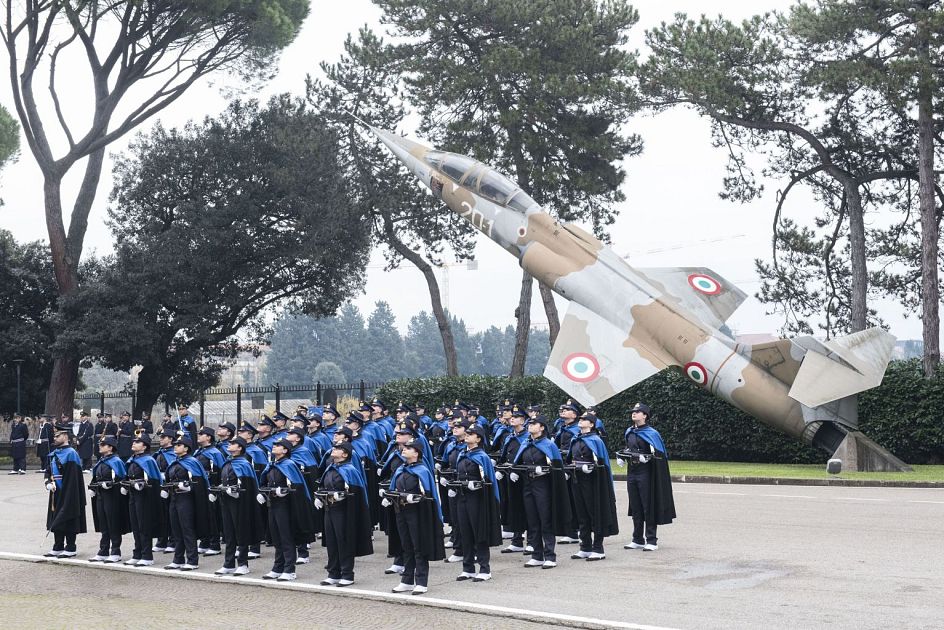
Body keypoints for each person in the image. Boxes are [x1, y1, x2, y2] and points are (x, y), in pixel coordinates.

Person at [511, 415, 573, 569]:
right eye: (529, 424)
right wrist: (514, 471)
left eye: (534, 424)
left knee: (545, 520)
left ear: (542, 427)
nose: (530, 426)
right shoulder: (526, 443)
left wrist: (545, 470)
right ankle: (537, 555)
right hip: (528, 485)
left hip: (543, 486)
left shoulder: (548, 445)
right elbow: (518, 462)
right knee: (532, 520)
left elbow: (557, 468)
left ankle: (550, 555)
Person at [385, 439, 445, 595]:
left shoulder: (422, 471)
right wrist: (389, 496)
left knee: (419, 546)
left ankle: (421, 581)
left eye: (408, 448)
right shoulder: (401, 469)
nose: (403, 450)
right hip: (401, 511)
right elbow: (394, 488)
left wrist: (415, 498)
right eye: (404, 448)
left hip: (418, 514)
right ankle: (407, 580)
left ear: (416, 453)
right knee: (406, 545)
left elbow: (428, 496)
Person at [619, 403, 676, 552]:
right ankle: (637, 539)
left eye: (637, 412)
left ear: (645, 415)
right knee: (635, 505)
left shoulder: (652, 433)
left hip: (646, 473)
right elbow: (628, 449)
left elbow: (659, 455)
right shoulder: (629, 432)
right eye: (633, 412)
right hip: (632, 471)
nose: (634, 414)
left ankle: (651, 539)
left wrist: (650, 458)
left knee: (647, 505)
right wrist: (622, 456)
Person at [317, 441, 373, 587]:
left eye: (338, 448)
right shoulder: (330, 468)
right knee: (331, 541)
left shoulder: (350, 470)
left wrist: (342, 496)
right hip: (330, 508)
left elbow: (356, 494)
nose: (333, 449)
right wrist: (319, 497)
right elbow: (323, 486)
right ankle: (333, 573)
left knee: (344, 541)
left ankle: (347, 574)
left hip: (344, 511)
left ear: (345, 454)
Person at [260, 438, 315, 581]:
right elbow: (265, 481)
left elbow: (297, 488)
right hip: (273, 504)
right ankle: (278, 567)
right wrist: (262, 492)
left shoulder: (289, 464)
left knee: (286, 537)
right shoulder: (272, 464)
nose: (274, 447)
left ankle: (289, 569)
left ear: (285, 450)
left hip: (286, 506)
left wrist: (283, 491)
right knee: (276, 536)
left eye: (278, 446)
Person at [566, 411, 618, 560]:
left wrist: (591, 468)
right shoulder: (575, 439)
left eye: (584, 419)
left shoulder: (596, 440)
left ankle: (598, 548)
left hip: (593, 483)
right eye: (580, 418)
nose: (581, 421)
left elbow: (601, 465)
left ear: (592, 424)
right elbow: (570, 459)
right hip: (577, 479)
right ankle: (585, 546)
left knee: (594, 513)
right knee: (581, 514)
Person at [453, 424, 502, 582]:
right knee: (464, 532)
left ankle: (484, 568)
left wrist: (478, 486)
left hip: (478, 499)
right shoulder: (462, 454)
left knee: (479, 532)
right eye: (467, 433)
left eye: (471, 434)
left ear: (478, 439)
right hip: (462, 497)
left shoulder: (482, 457)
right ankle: (468, 568)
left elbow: (488, 481)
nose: (467, 435)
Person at [215, 437, 264, 576]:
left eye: (233, 444)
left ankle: (243, 563)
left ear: (240, 448)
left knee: (240, 532)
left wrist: (238, 493)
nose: (229, 445)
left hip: (240, 503)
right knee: (229, 533)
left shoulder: (244, 464)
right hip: (227, 501)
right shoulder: (228, 462)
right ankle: (228, 563)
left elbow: (248, 486)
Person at [163, 436, 211, 571]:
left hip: (186, 498)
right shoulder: (175, 462)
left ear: (186, 448)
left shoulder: (192, 462)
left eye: (179, 445)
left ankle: (192, 560)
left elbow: (200, 483)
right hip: (174, 497)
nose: (175, 446)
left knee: (187, 529)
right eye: (175, 444)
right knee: (176, 529)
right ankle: (178, 559)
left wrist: (189, 487)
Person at [43, 429, 87, 557]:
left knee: (68, 516)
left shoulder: (71, 454)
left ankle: (71, 547)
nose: (54, 438)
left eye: (57, 436)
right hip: (55, 491)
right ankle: (58, 545)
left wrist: (66, 493)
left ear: (65, 436)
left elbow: (73, 478)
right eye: (54, 436)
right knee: (55, 516)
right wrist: (47, 483)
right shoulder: (54, 454)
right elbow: (48, 471)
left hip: (69, 492)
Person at [88, 436, 130, 563]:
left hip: (112, 496)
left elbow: (123, 479)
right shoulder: (101, 461)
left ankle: (116, 551)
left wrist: (112, 485)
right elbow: (95, 478)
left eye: (103, 444)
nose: (100, 446)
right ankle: (103, 550)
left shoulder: (116, 461)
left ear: (110, 447)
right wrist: (93, 487)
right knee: (103, 523)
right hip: (101, 495)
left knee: (113, 523)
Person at [495, 406, 531, 555]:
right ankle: (517, 540)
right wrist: (499, 469)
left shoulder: (527, 437)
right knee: (513, 507)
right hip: (510, 476)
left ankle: (532, 541)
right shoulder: (510, 436)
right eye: (511, 417)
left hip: (525, 477)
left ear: (523, 420)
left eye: (515, 417)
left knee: (528, 509)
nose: (512, 419)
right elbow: (504, 457)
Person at [124, 433, 163, 566]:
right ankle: (137, 553)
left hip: (145, 497)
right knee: (135, 525)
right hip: (133, 495)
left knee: (144, 525)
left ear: (144, 446)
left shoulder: (148, 460)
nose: (134, 443)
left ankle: (147, 555)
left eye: (138, 442)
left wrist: (143, 486)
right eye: (134, 441)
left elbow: (154, 482)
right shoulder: (132, 459)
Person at [554, 400, 582, 545]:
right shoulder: (563, 428)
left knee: (574, 499)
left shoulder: (577, 429)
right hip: (564, 465)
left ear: (575, 414)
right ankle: (571, 531)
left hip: (573, 467)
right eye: (563, 409)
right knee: (567, 499)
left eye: (567, 409)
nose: (563, 411)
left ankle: (577, 530)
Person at [194, 427, 225, 556]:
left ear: (208, 437)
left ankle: (215, 544)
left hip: (212, 488)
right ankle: (204, 541)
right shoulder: (198, 452)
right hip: (200, 488)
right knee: (202, 514)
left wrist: (216, 489)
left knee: (213, 516)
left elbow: (222, 470)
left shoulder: (215, 452)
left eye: (201, 434)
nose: (199, 436)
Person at [152, 430, 177, 554]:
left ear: (171, 439)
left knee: (170, 514)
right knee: (159, 513)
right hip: (159, 486)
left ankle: (173, 541)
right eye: (160, 437)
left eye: (163, 437)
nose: (161, 439)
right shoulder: (159, 453)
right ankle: (161, 540)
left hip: (169, 486)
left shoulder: (173, 454)